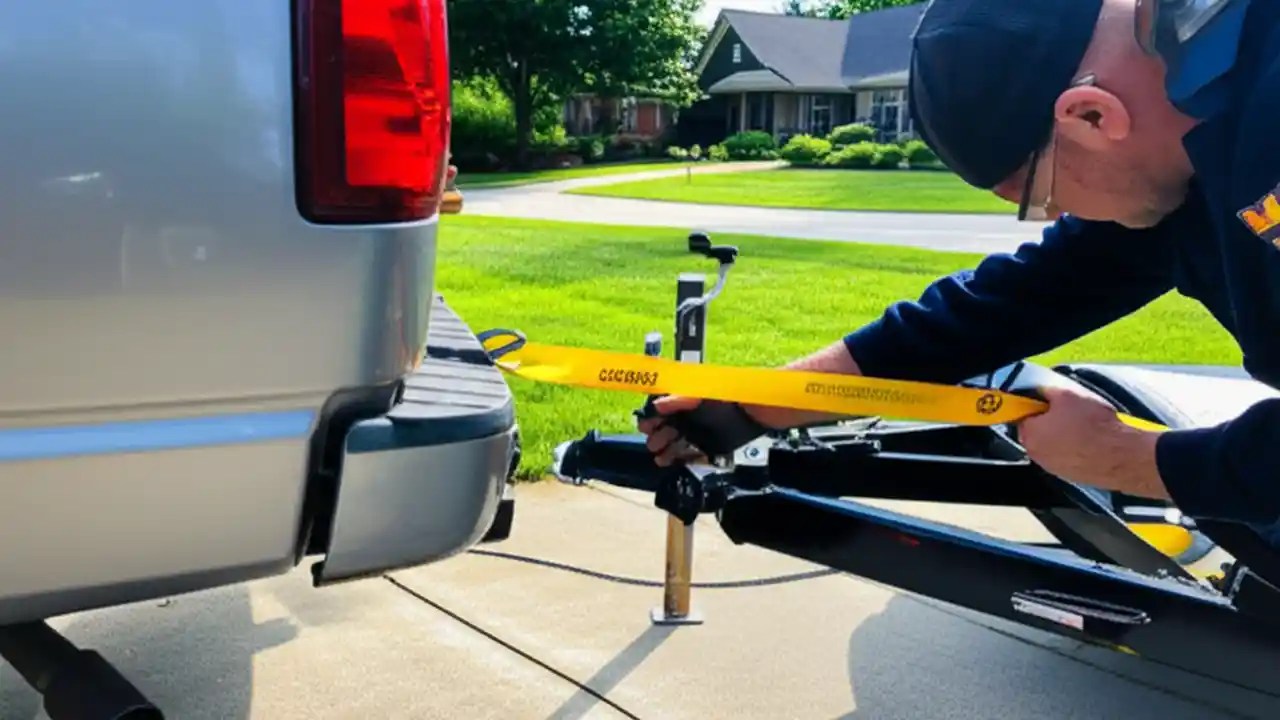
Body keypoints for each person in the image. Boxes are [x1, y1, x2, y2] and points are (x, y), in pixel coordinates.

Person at [638, 0, 1280, 528]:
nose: (1055, 219)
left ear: (1090, 115)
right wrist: (749, 407)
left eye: (1041, 195)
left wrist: (1135, 461)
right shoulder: (1180, 148)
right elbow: (1009, 304)